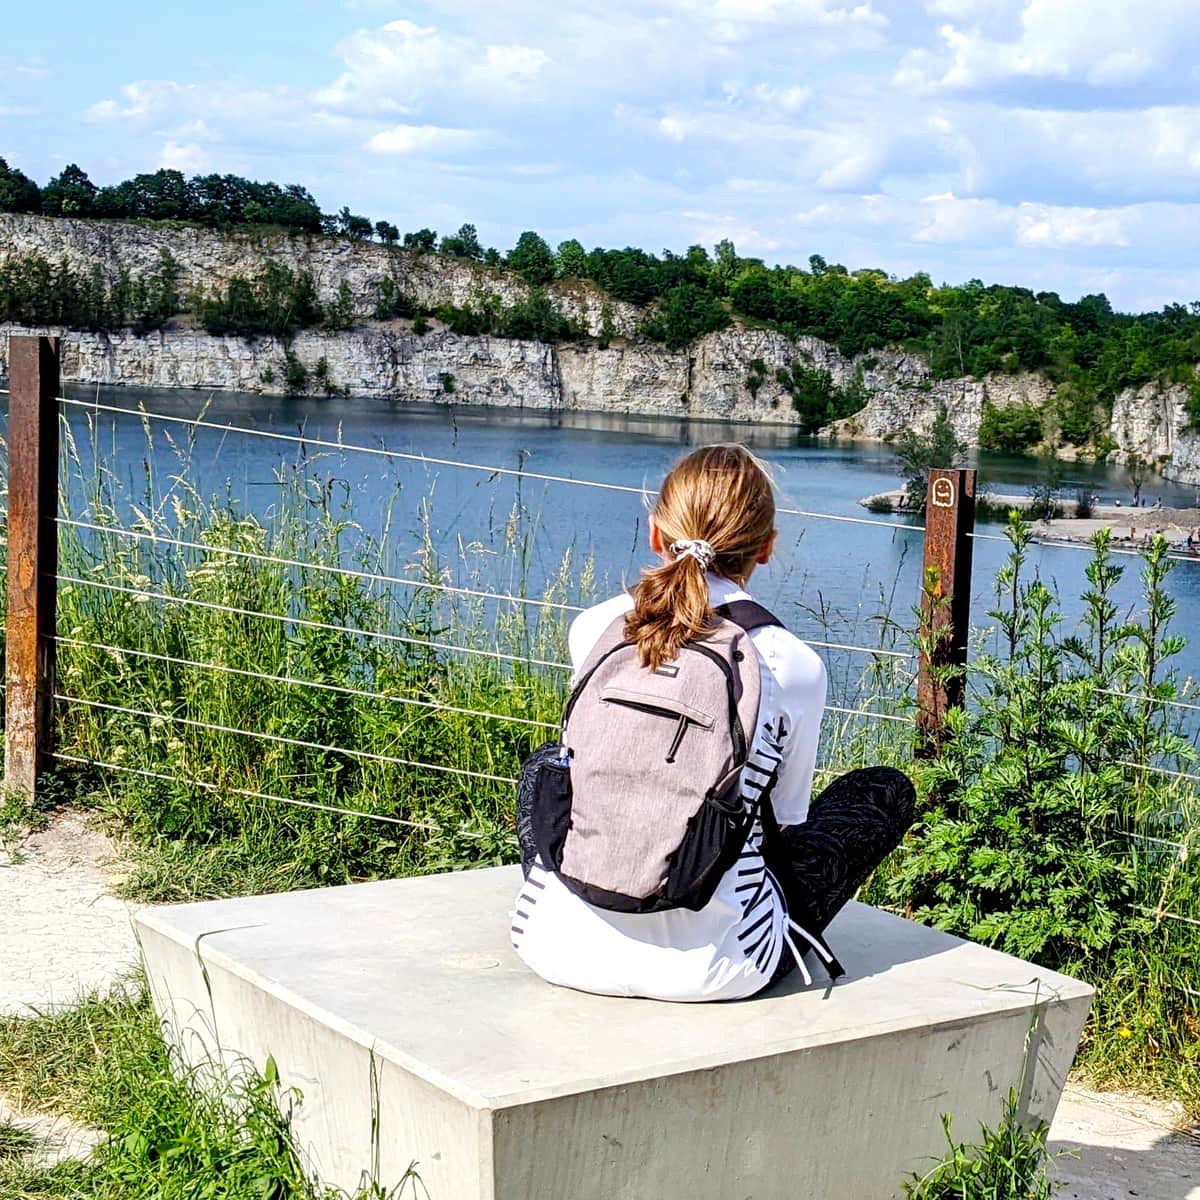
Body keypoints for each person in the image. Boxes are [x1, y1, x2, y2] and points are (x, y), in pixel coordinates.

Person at [512, 445, 915, 1002]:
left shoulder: (594, 628)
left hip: (552, 945)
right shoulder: (790, 662)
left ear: (656, 533)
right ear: (767, 548)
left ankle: (569, 899)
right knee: (883, 792)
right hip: (717, 967)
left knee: (545, 764)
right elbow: (786, 822)